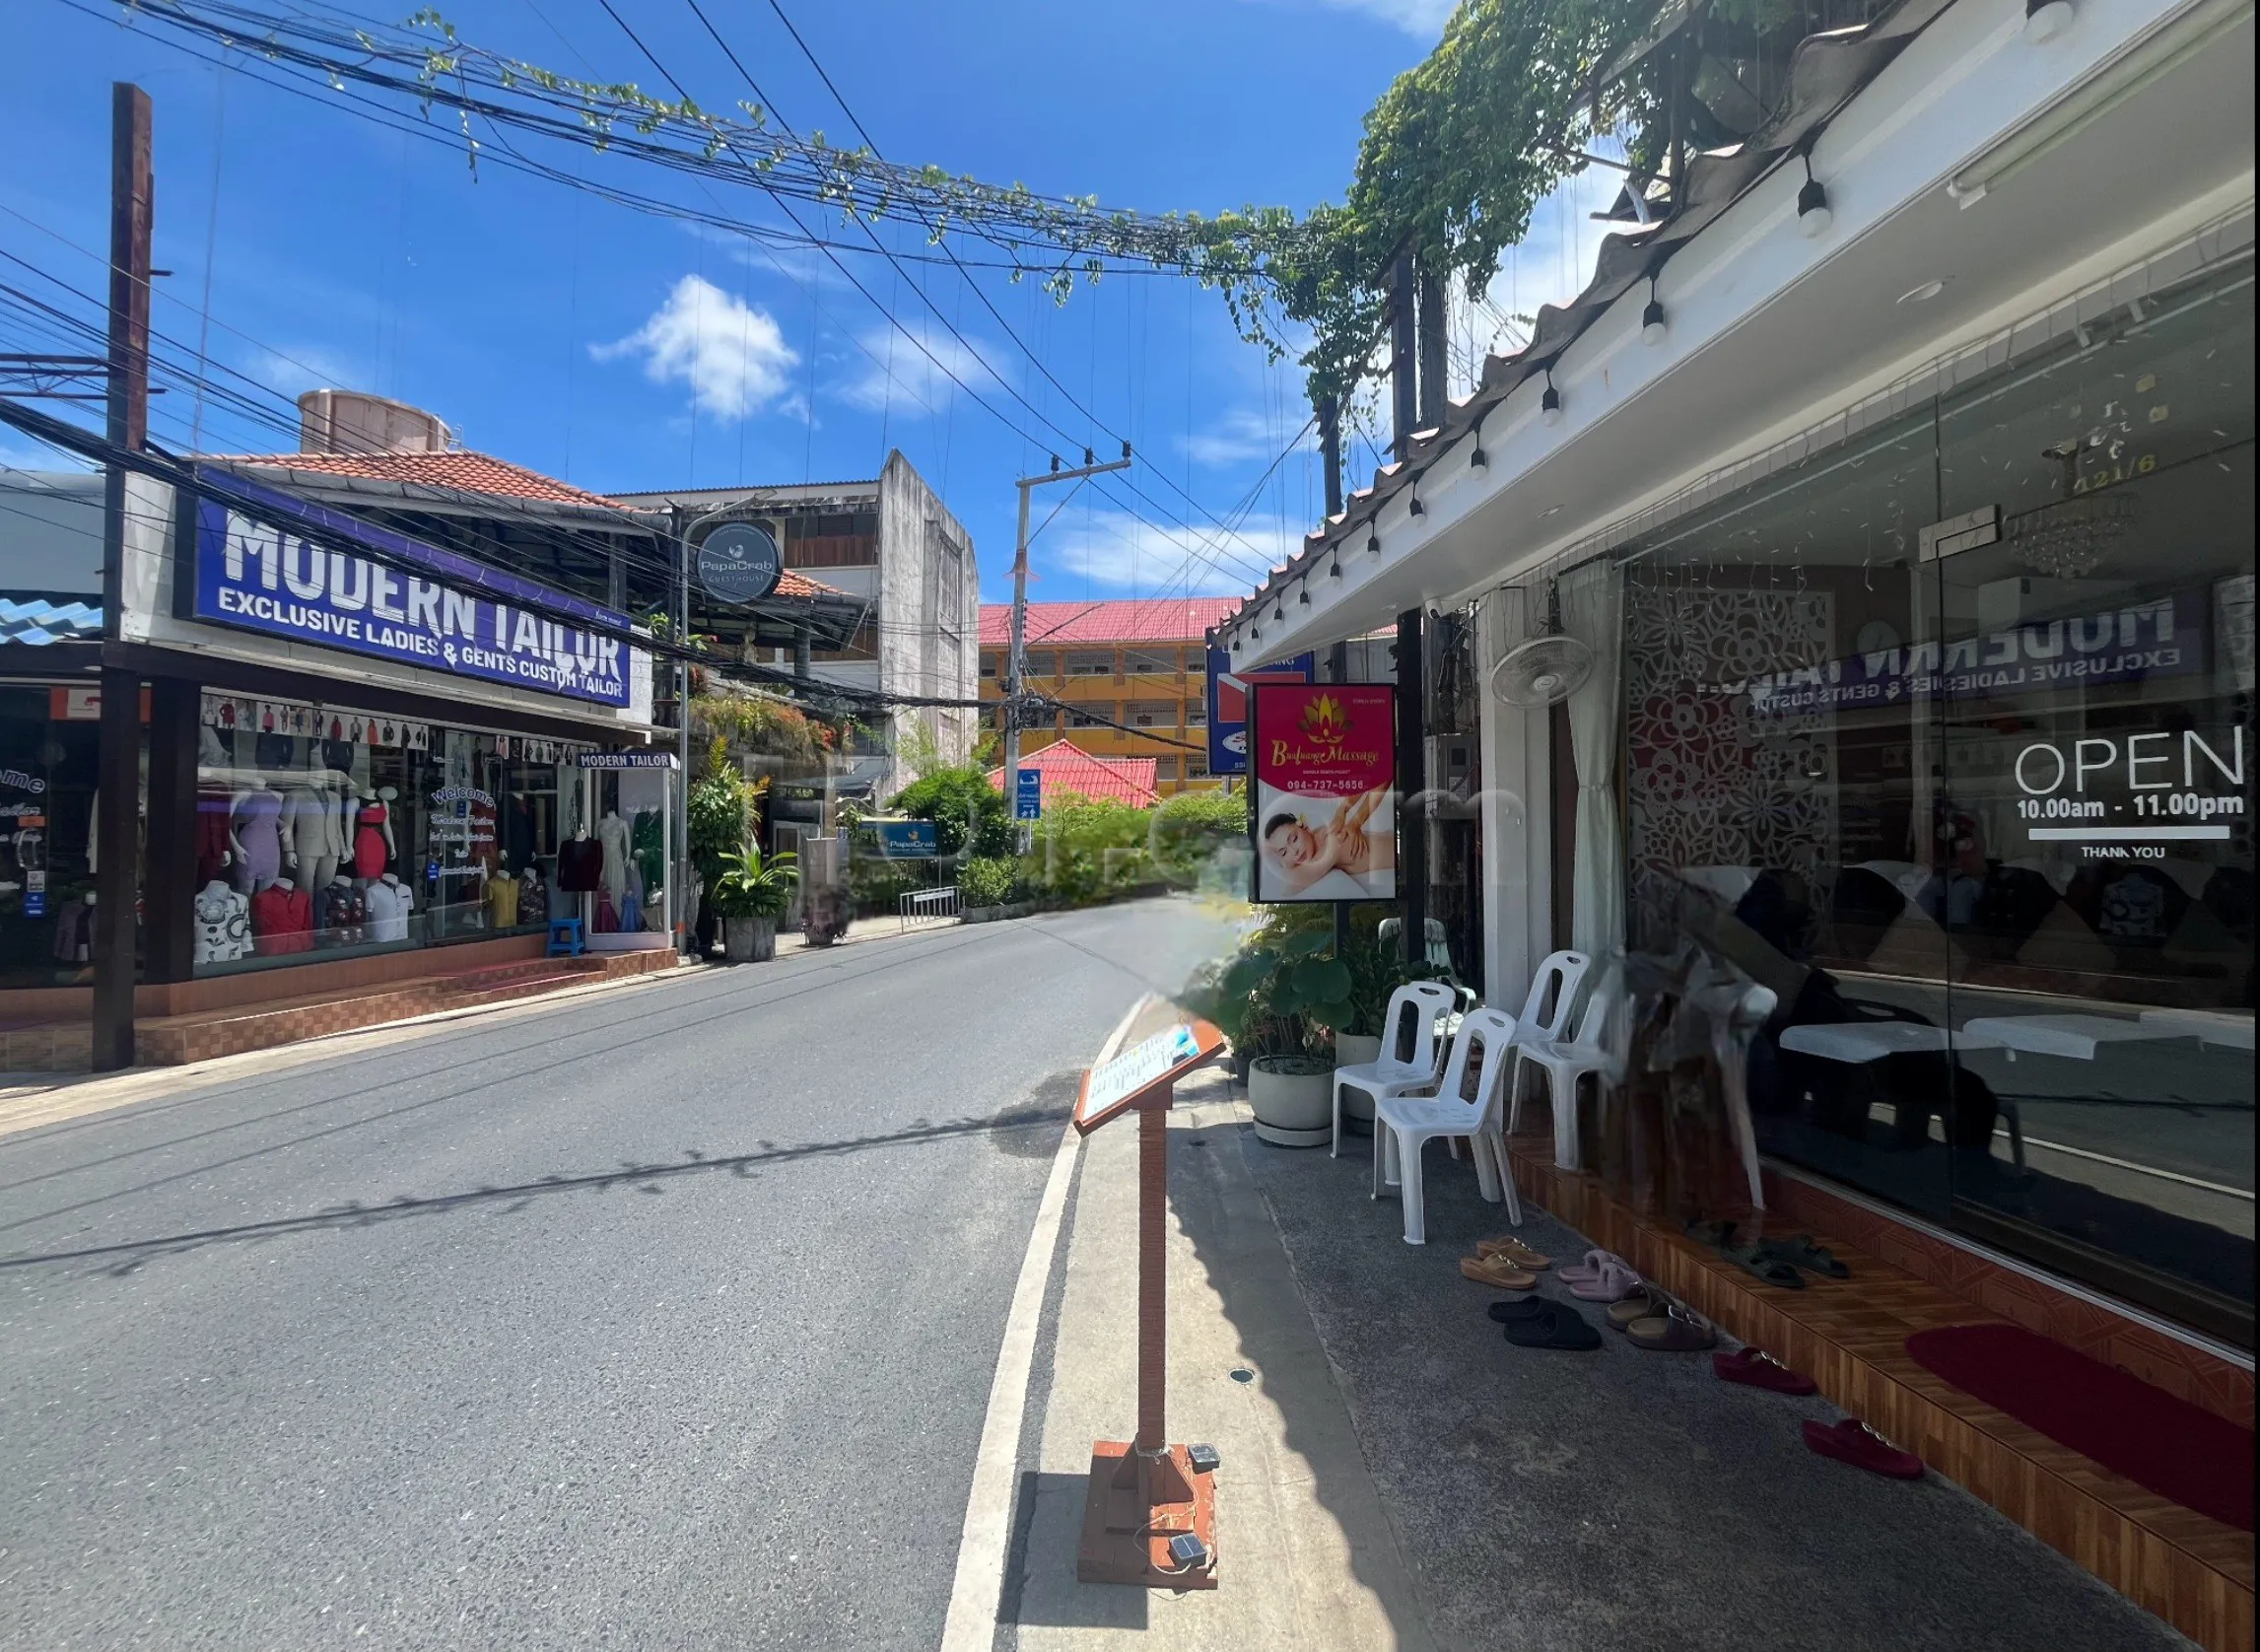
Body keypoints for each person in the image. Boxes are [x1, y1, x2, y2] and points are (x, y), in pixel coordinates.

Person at [1261, 786, 1395, 895]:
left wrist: (1284, 860)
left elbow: (1290, 888)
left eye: (1294, 839)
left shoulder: (1333, 841)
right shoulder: (1319, 836)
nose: (1294, 851)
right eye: (1284, 852)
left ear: (1305, 827)